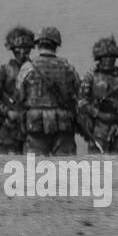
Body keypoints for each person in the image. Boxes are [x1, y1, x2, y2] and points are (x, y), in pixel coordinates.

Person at [17, 26, 81, 156]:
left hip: (35, 125)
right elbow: (78, 92)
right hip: (63, 123)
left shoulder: (27, 67)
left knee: (36, 170)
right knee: (66, 169)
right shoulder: (68, 67)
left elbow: (19, 96)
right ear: (56, 44)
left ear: (38, 44)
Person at [77, 36, 118, 154]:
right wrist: (99, 113)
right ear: (99, 58)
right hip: (97, 133)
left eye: (112, 57)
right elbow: (82, 103)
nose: (109, 60)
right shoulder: (90, 78)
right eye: (105, 57)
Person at [0, 26, 33, 155]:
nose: (23, 52)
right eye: (19, 49)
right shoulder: (4, 71)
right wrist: (7, 112)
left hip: (32, 129)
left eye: (26, 49)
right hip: (9, 128)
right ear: (14, 50)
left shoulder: (36, 70)